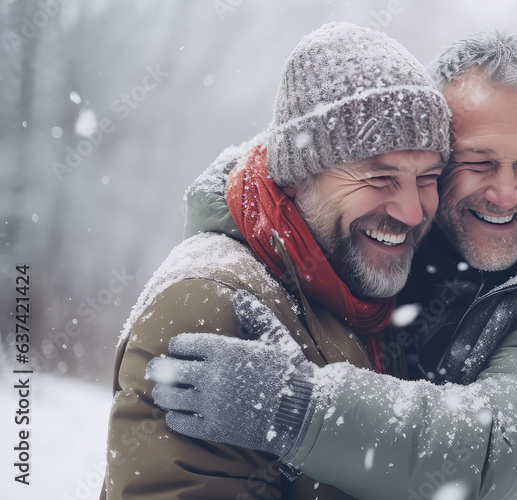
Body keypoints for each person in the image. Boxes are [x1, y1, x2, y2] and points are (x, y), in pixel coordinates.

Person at [150, 31, 517, 499]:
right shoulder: (391, 225)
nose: (504, 193)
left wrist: (295, 406)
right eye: (477, 162)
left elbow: (502, 445)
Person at [100, 22, 452, 499]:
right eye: (379, 177)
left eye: (428, 178)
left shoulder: (361, 292)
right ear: (296, 177)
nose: (411, 211)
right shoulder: (208, 304)